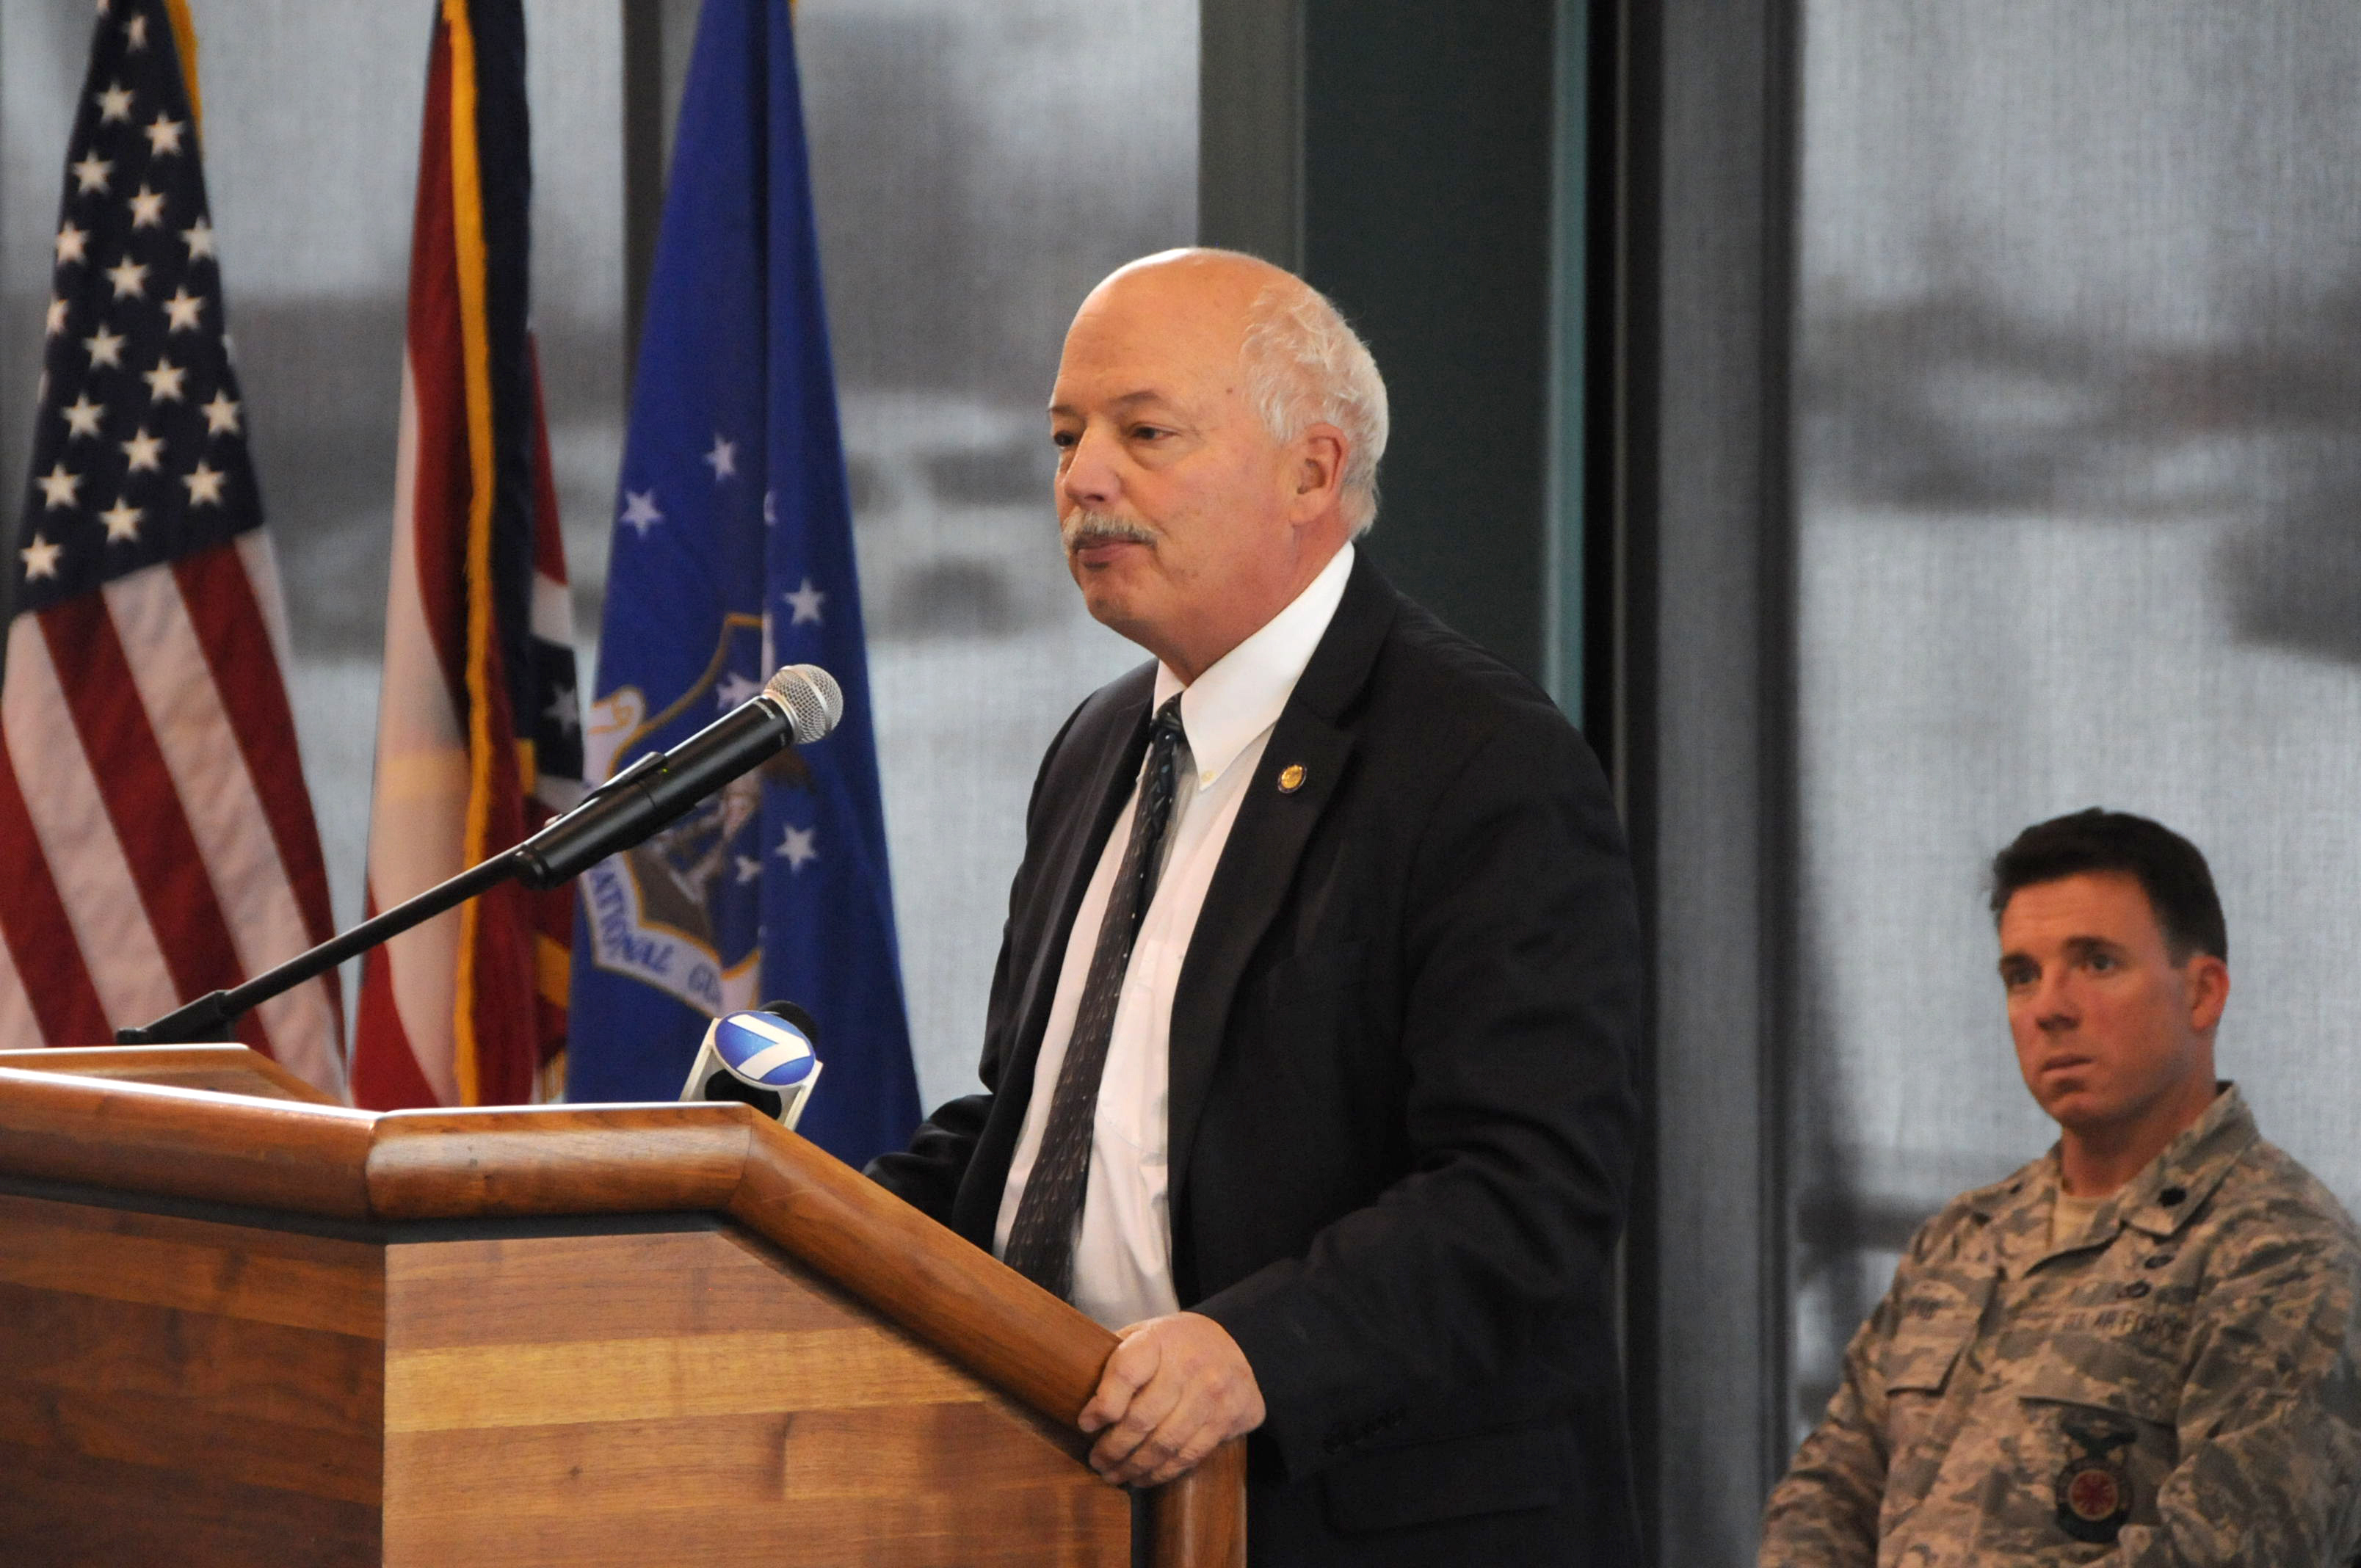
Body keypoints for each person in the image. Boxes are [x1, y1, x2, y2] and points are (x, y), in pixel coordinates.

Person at [866, 247, 1642, 1564]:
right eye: (1065, 437)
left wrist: (1250, 1349)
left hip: (1354, 1519)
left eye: (1144, 432)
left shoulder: (1477, 758)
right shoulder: (1096, 746)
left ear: (1313, 471)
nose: (1082, 479)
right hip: (1070, 1504)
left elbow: (1532, 1183)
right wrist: (780, 1214)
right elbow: (1051, 1122)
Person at [1759, 808, 2361, 1564]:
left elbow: (2230, 1550)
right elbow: (1828, 1492)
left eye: (2098, 963)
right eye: (2023, 975)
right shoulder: (1964, 1238)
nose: (2050, 1007)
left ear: (2202, 994)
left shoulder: (2280, 1248)